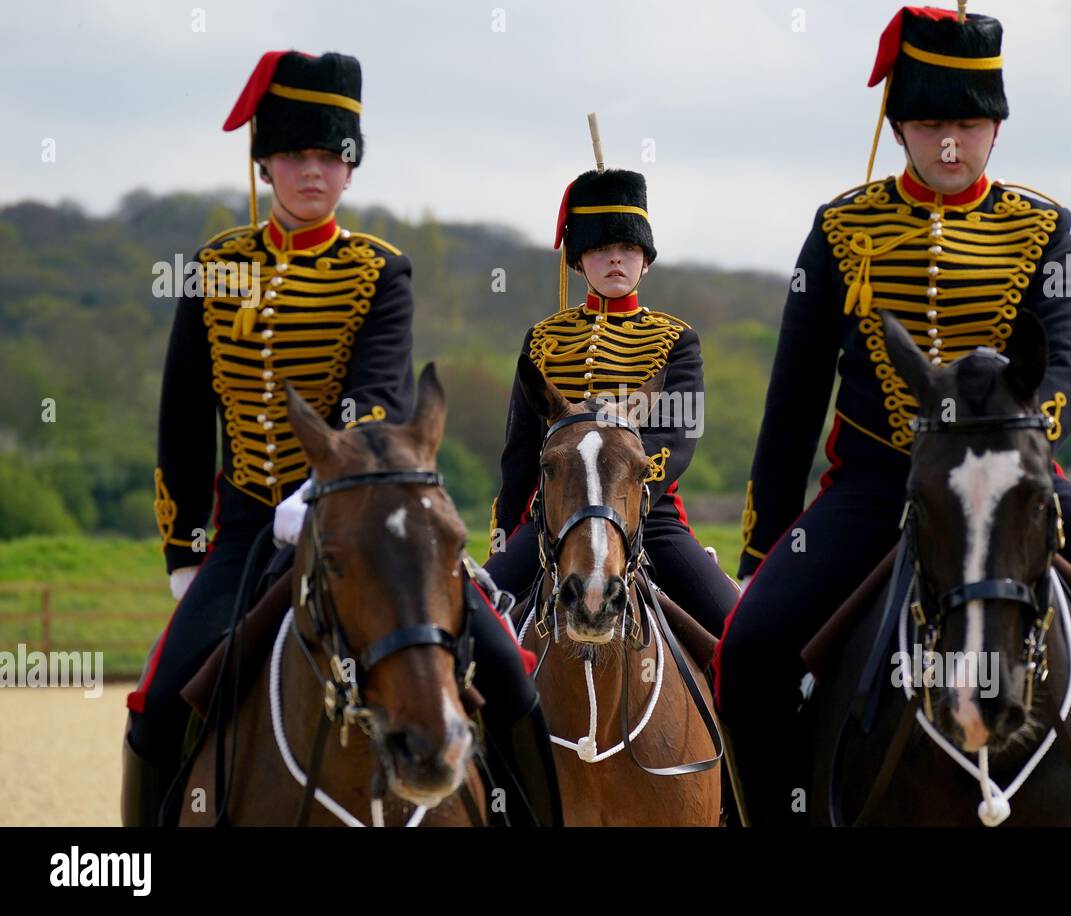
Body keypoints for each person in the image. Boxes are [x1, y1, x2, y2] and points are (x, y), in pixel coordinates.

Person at [711, 5, 1071, 826]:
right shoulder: (841, 231)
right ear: (900, 128)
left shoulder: (1044, 229)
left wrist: (1017, 434)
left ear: (996, 131)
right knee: (752, 655)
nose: (951, 143)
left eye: (970, 124)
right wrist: (768, 545)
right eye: (932, 123)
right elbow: (793, 403)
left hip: (1018, 478)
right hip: (880, 485)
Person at [121, 49, 417, 826]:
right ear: (264, 165)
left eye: (329, 156)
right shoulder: (214, 267)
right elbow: (184, 419)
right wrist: (185, 552)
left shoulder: (380, 271)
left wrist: (318, 487)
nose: (311, 172)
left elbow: (376, 401)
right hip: (248, 529)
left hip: (354, 517)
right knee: (157, 708)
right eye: (293, 155)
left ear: (350, 169)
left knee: (508, 676)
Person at [483, 165, 739, 638]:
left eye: (627, 249)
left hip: (646, 512)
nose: (615, 260)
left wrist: (619, 497)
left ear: (646, 259)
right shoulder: (542, 340)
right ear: (579, 261)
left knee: (741, 629)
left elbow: (677, 440)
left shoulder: (676, 339)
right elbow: (520, 458)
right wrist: (501, 541)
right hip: (553, 514)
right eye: (601, 249)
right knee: (470, 621)